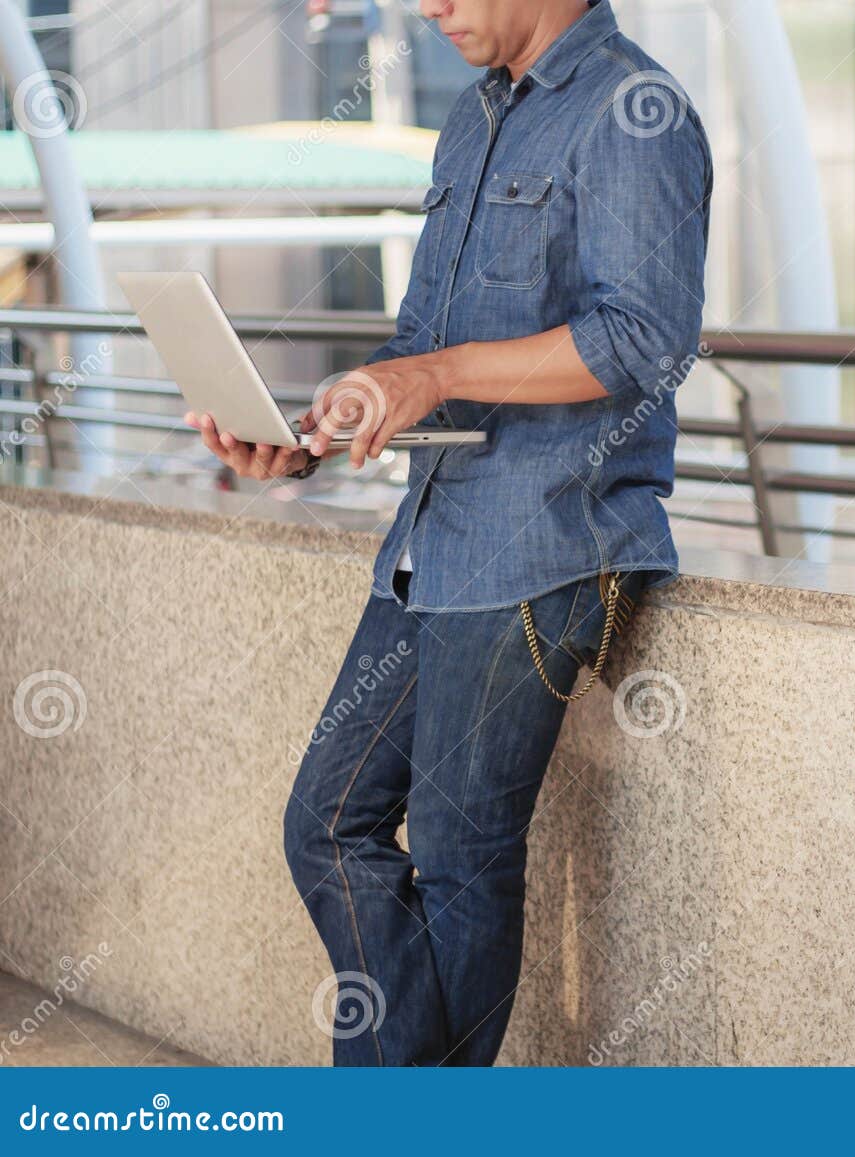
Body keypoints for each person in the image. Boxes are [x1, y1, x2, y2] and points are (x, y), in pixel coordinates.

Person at [185, 0, 710, 1065]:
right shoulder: (475, 118)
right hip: (435, 534)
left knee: (462, 862)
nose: (426, 6)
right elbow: (422, 344)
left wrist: (431, 375)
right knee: (326, 821)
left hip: (546, 542)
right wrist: (320, 432)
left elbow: (644, 339)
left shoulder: (633, 111)